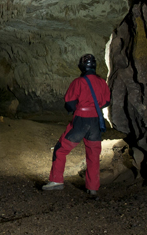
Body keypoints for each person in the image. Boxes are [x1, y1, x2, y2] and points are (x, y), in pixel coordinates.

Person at [42, 53, 111, 196]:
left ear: (81, 66)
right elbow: (107, 102)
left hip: (81, 120)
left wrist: (79, 107)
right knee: (93, 155)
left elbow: (69, 103)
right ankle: (93, 188)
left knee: (61, 149)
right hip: (96, 122)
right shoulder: (102, 82)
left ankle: (56, 181)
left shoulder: (78, 82)